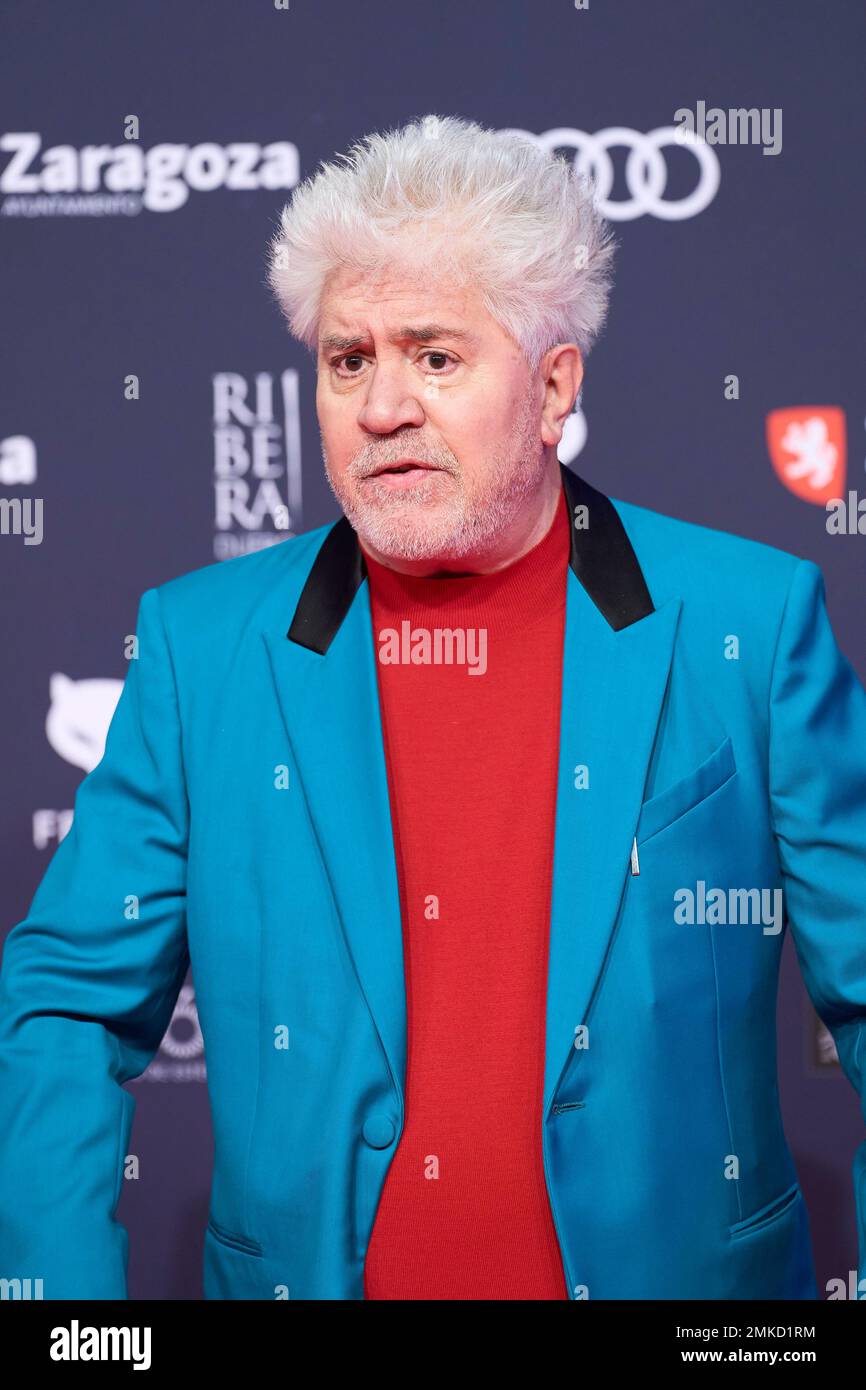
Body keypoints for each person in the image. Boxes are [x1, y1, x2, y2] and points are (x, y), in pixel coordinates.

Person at [1, 114, 864, 1301]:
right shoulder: (205, 649)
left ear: (554, 384)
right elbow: (66, 1001)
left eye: (435, 357)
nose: (381, 405)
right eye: (347, 359)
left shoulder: (747, 625)